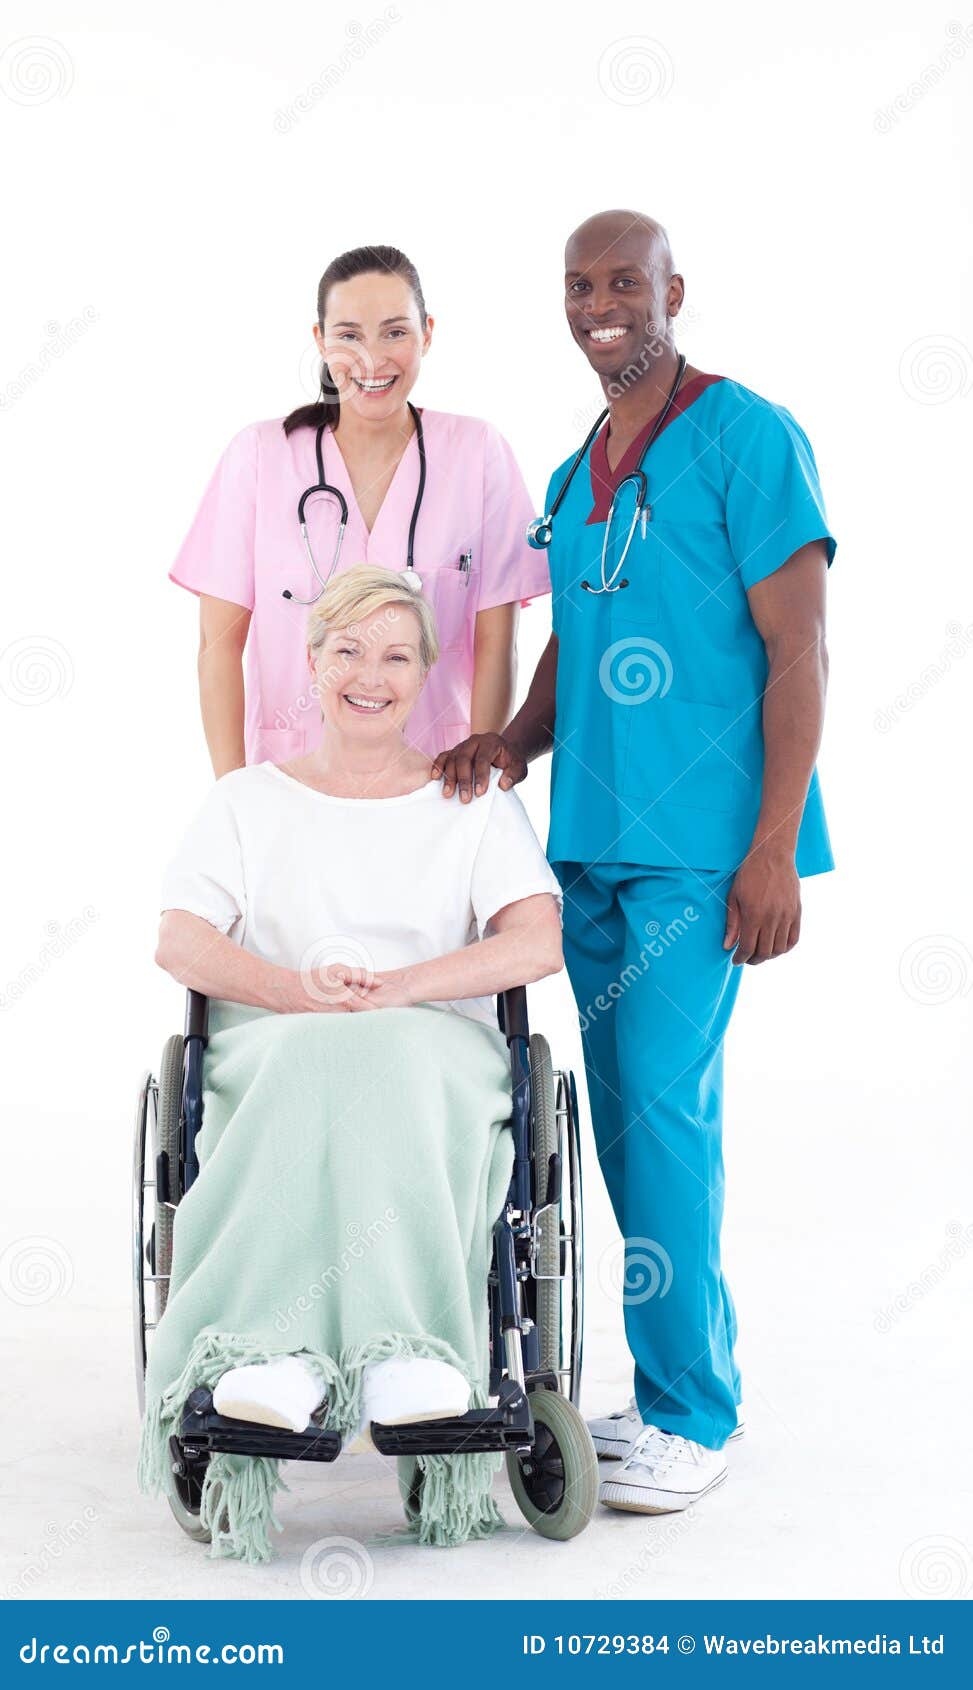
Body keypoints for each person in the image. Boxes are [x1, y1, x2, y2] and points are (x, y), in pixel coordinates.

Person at [433, 209, 836, 1517]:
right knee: (624, 1125)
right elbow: (579, 636)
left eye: (626, 282)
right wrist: (512, 739)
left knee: (664, 1113)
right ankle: (668, 1386)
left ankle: (693, 1413)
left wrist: (770, 845)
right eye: (580, 285)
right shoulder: (576, 469)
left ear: (675, 291)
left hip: (699, 854)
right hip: (591, 850)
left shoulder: (747, 437)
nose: (601, 302)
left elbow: (799, 651)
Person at [137, 566, 564, 1562]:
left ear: (426, 673)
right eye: (348, 651)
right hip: (276, 1047)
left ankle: (407, 1351)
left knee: (382, 1055)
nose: (370, 673)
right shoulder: (246, 801)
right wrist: (294, 991)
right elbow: (181, 941)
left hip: (435, 1058)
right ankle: (277, 1350)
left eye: (396, 654)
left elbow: (536, 941)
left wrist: (405, 986)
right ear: (312, 662)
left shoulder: (469, 802)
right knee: (319, 1058)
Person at [168, 245, 550, 776]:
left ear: (428, 333)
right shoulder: (258, 457)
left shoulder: (478, 453)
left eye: (395, 332)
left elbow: (496, 640)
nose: (372, 359)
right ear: (320, 340)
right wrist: (234, 795)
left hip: (435, 781)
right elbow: (217, 646)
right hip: (287, 777)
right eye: (349, 335)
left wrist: (479, 772)